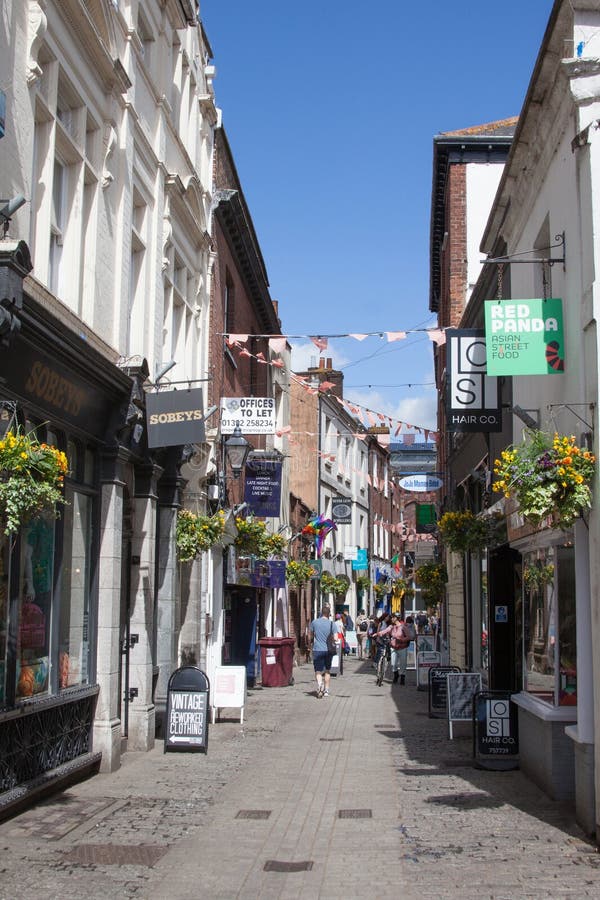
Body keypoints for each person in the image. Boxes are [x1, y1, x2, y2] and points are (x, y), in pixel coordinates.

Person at [309, 605, 334, 698]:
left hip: (317, 649)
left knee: (318, 670)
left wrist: (309, 644)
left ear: (321, 613)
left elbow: (310, 636)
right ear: (328, 614)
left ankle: (320, 684)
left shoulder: (314, 622)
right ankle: (326, 691)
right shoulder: (332, 624)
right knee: (327, 670)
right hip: (328, 650)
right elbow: (335, 638)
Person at [378, 613, 410, 684]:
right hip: (394, 648)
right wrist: (378, 634)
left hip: (402, 647)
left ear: (396, 618)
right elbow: (385, 631)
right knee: (393, 664)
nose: (391, 619)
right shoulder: (391, 626)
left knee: (403, 664)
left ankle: (402, 677)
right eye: (391, 617)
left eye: (392, 617)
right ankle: (396, 674)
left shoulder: (403, 627)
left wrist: (401, 639)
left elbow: (409, 637)